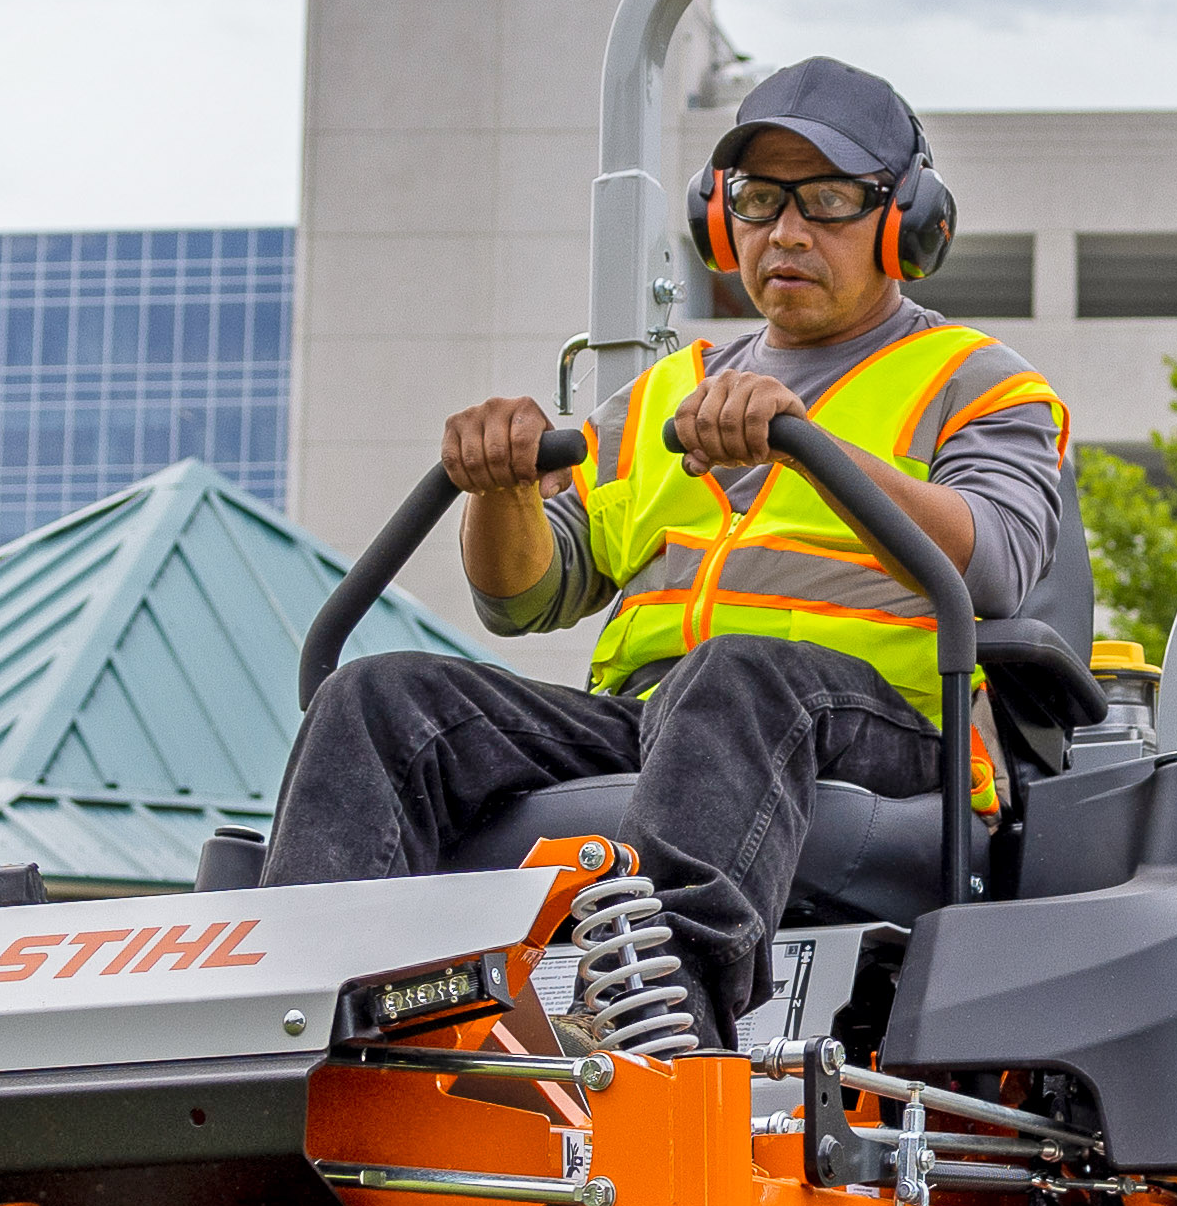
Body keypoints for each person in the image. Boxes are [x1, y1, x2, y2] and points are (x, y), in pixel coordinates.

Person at [265, 56, 1080, 1028]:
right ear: (715, 216)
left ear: (906, 219)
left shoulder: (976, 380)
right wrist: (505, 490)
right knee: (379, 697)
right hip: (660, 720)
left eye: (825, 198)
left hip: (889, 728)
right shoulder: (661, 392)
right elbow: (522, 597)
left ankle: (667, 1016)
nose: (784, 229)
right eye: (756, 197)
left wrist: (811, 447)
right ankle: (306, 1029)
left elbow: (991, 565)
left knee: (731, 674)